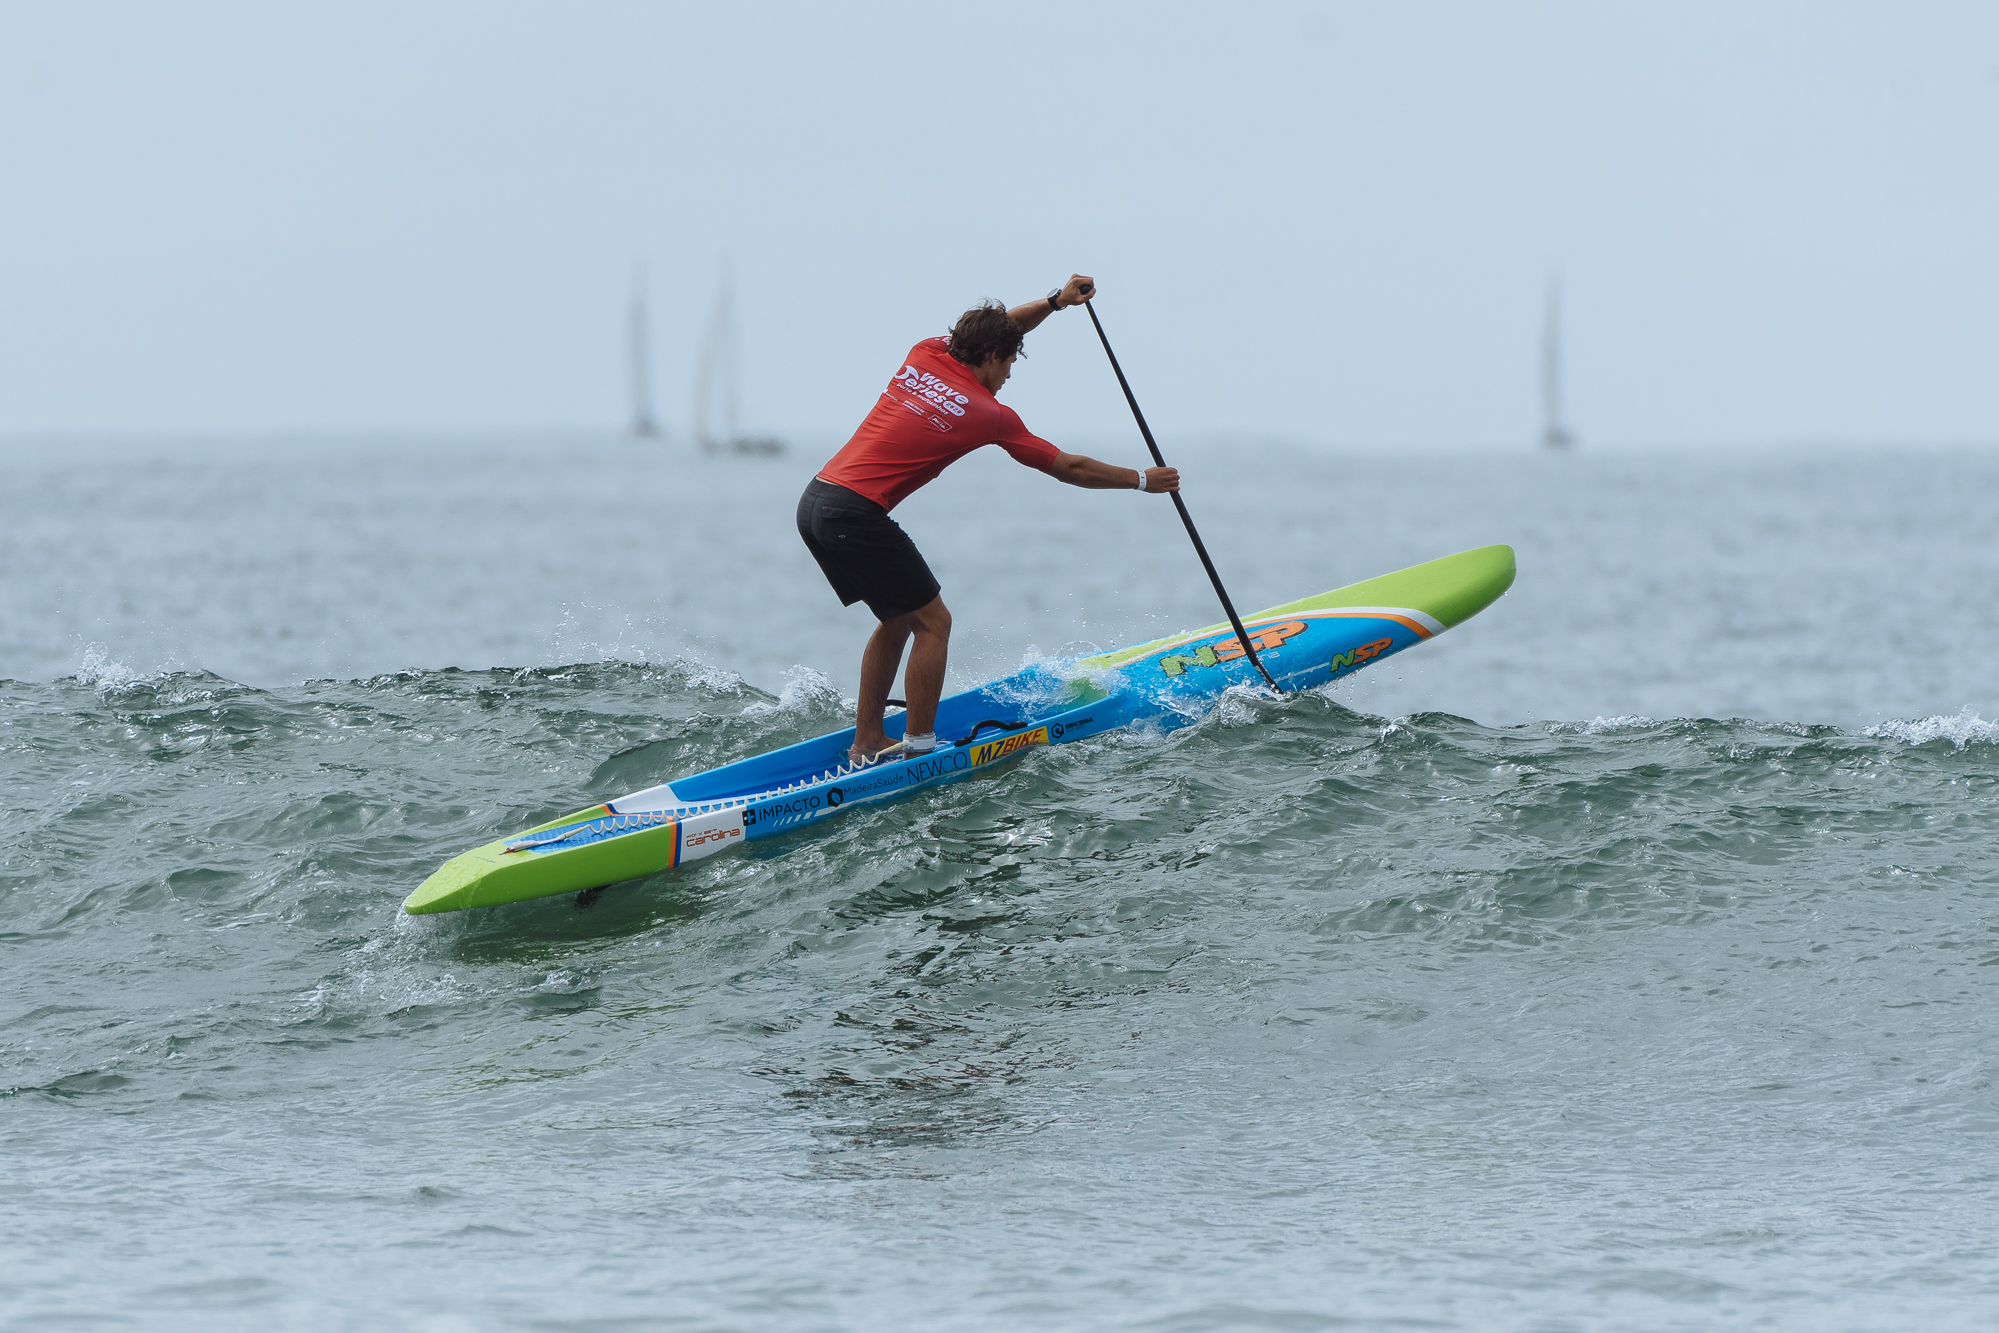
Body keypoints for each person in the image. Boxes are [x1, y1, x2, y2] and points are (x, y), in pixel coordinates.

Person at [797, 274, 1181, 767]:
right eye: (1009, 366)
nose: (1006, 379)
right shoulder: (987, 413)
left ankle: (868, 739)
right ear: (994, 356)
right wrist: (1143, 480)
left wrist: (1055, 302)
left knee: (897, 619)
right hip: (854, 512)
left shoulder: (925, 352)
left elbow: (1002, 327)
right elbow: (1069, 468)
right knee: (934, 623)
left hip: (817, 501)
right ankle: (918, 747)